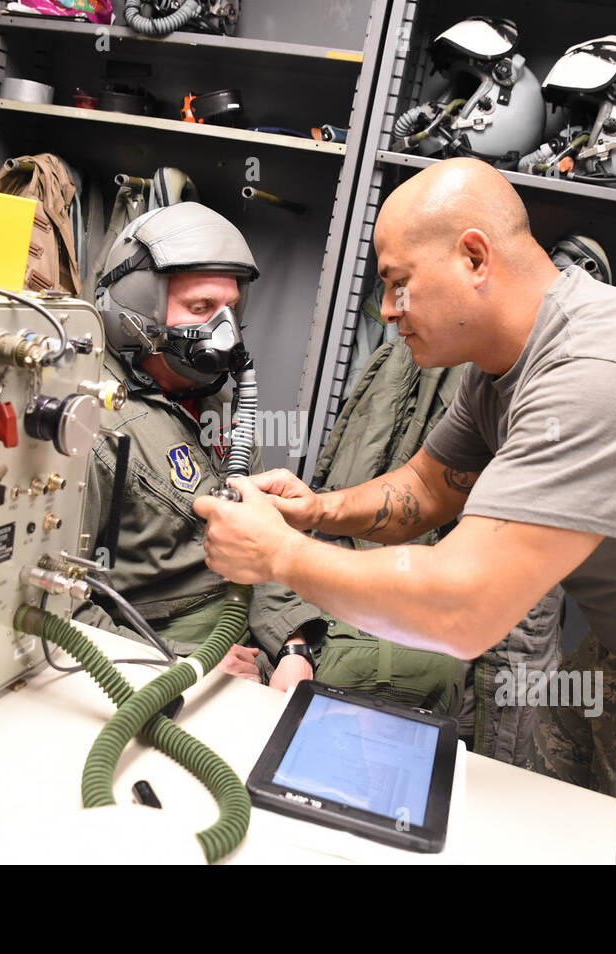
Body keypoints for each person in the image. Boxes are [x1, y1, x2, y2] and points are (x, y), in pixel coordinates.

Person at [195, 157, 616, 836]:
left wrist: (279, 556)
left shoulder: (598, 372)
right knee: (536, 819)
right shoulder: (502, 363)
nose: (387, 311)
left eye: (399, 285)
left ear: (474, 257)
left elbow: (462, 610)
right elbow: (431, 486)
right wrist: (312, 512)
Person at [77, 201, 464, 708]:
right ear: (137, 310)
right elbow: (55, 606)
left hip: (250, 624)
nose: (224, 330)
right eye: (200, 309)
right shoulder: (88, 423)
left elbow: (261, 538)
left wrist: (295, 644)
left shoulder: (214, 397)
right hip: (165, 649)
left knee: (434, 664)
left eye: (231, 310)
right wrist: (179, 664)